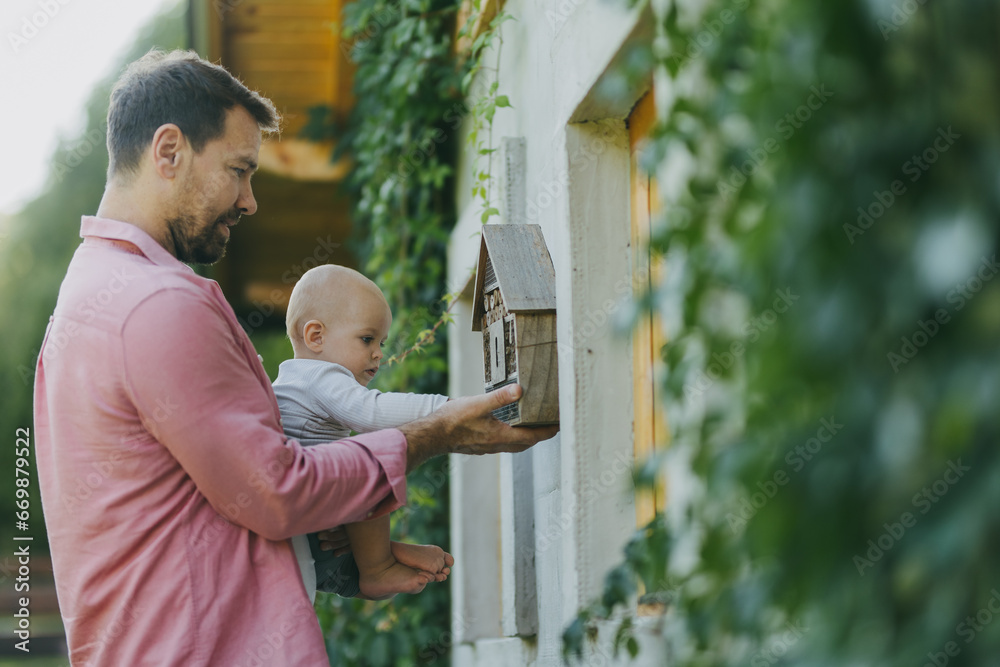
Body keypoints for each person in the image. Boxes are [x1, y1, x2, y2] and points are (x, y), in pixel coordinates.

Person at [32, 48, 557, 666]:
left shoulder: (88, 297)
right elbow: (275, 491)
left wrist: (348, 566)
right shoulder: (156, 306)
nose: (250, 200)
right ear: (168, 151)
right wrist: (435, 434)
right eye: (239, 169)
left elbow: (188, 519)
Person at [274, 264, 454, 601]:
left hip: (315, 537)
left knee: (358, 465)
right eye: (367, 339)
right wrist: (448, 407)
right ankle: (378, 565)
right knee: (370, 462)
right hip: (312, 518)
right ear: (316, 336)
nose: (378, 354)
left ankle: (379, 556)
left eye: (381, 342)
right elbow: (371, 412)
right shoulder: (319, 376)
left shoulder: (292, 379)